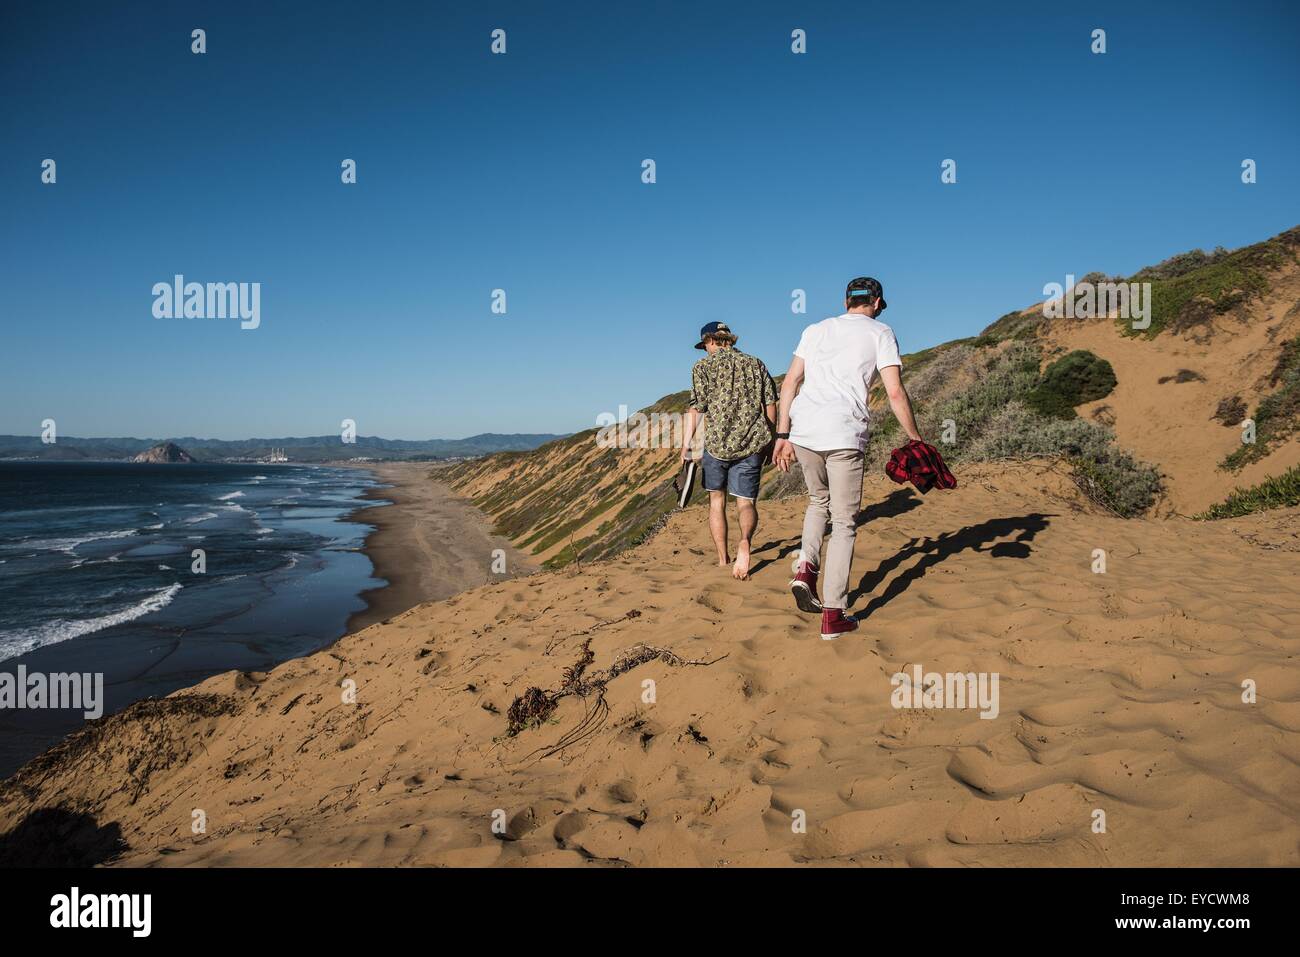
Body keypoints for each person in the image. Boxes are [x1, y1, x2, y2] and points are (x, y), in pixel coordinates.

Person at [772, 278, 924, 639]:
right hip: (843, 433)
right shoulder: (881, 332)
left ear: (846, 302)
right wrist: (916, 437)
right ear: (877, 302)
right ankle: (834, 614)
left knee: (817, 501)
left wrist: (782, 434)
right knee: (844, 524)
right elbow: (895, 392)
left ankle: (806, 569)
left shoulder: (816, 329)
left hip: (804, 429)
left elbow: (790, 382)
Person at [681, 321, 778, 580]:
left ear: (711, 341)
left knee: (717, 502)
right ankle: (745, 540)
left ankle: (723, 560)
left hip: (716, 444)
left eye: (705, 346)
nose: (705, 350)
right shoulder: (755, 363)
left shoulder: (702, 367)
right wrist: (771, 438)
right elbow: (770, 404)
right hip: (752, 442)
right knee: (745, 502)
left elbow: (697, 408)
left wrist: (686, 443)